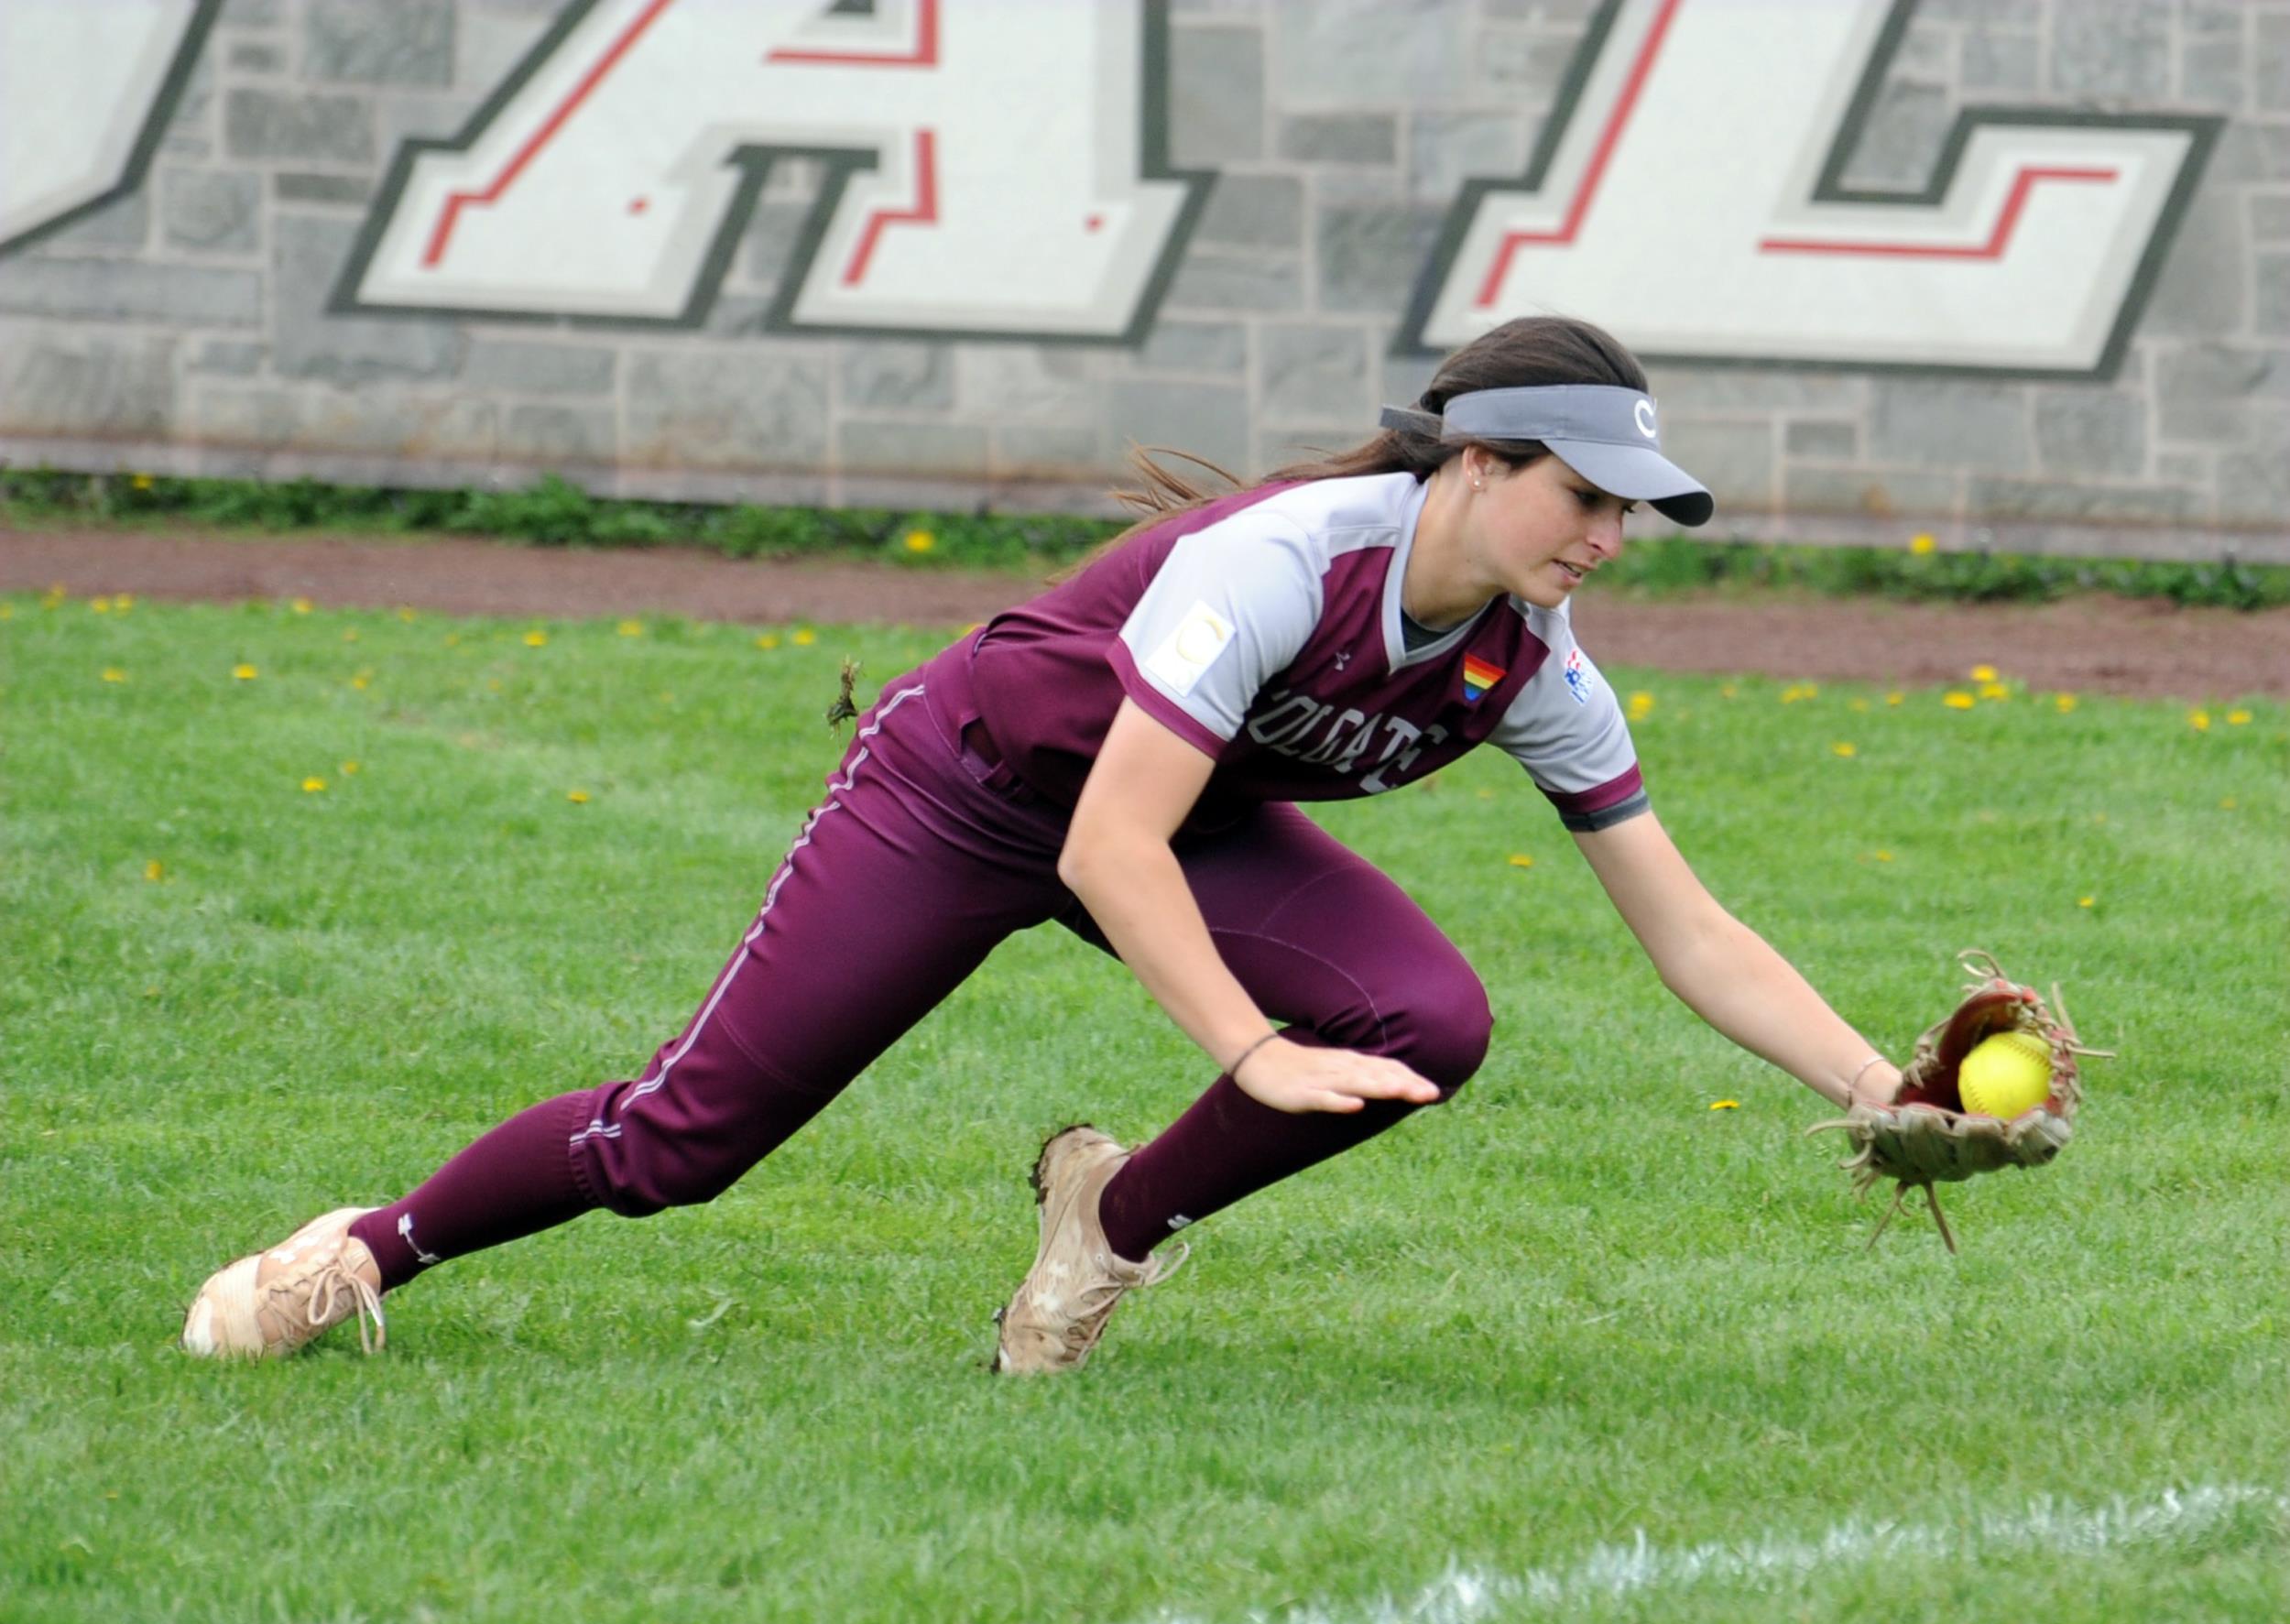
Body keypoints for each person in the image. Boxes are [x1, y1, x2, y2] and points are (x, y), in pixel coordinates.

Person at [181, 314, 1904, 1375]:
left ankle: (1105, 1228)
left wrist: (1872, 1088)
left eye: (1628, 511)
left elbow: (1690, 931)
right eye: (1581, 496)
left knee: (1428, 1022)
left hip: (1179, 826)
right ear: (1473, 459)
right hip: (967, 797)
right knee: (682, 1144)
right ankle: (364, 1249)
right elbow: (1105, 847)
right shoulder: (1285, 561)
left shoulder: (1527, 660)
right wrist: (1244, 1049)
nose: (1608, 535)